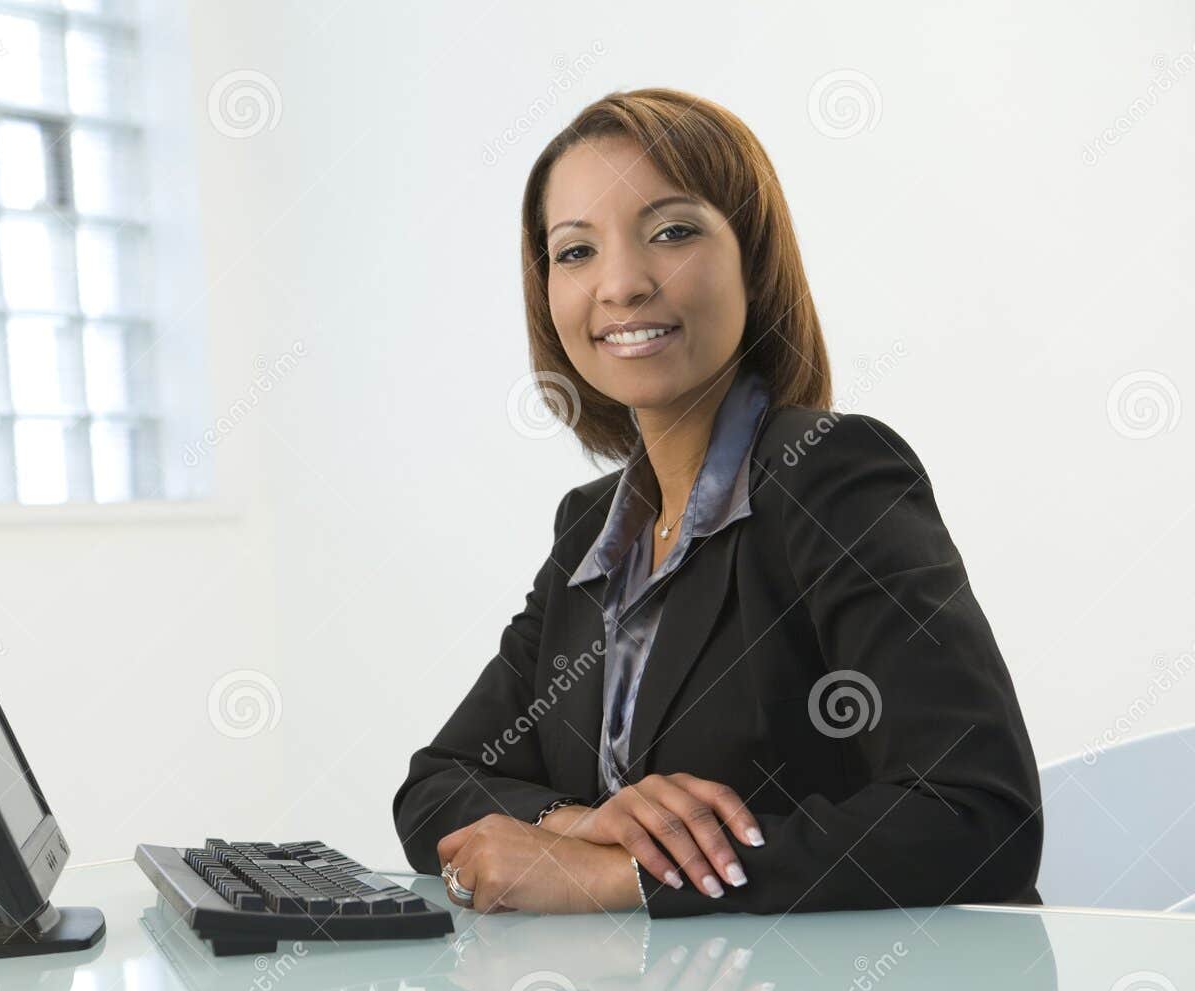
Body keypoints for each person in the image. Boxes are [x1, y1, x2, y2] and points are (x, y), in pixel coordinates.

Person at [392, 88, 1043, 918]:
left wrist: (624, 880)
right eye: (576, 251)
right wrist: (579, 825)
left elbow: (976, 814)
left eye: (671, 232)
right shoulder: (593, 529)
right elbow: (436, 785)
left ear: (753, 260)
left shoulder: (831, 475)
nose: (621, 284)